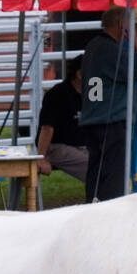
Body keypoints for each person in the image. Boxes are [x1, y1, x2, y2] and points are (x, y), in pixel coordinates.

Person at [78, 6, 137, 201]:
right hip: (112, 121)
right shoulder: (112, 51)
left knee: (97, 174)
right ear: (121, 26)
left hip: (95, 118)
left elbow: (96, 87)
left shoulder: (94, 46)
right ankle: (110, 213)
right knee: (114, 175)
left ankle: (93, 206)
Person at [34, 55, 88, 184]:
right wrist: (41, 158)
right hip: (56, 146)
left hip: (81, 146)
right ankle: (102, 197)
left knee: (108, 160)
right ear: (79, 74)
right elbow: (47, 128)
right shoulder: (57, 94)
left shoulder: (92, 91)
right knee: (95, 166)